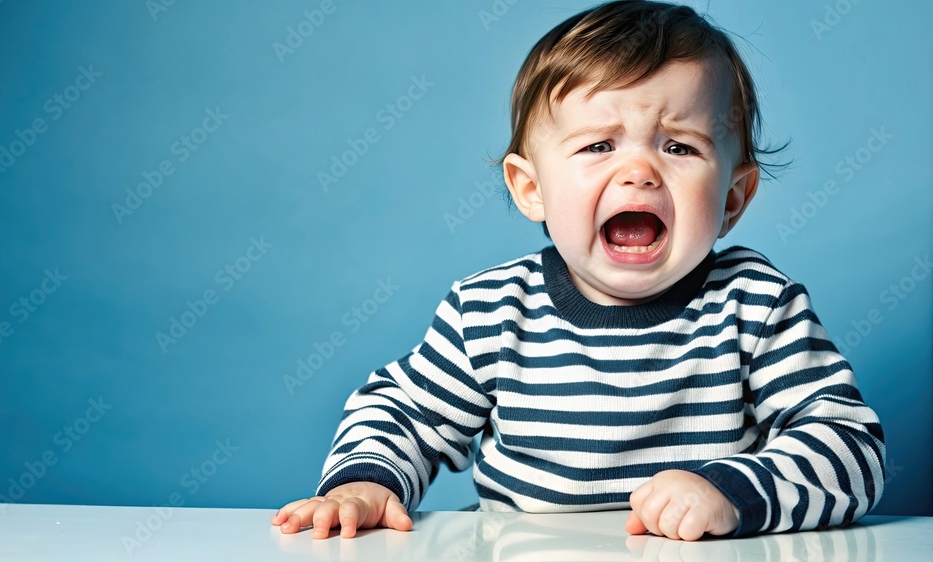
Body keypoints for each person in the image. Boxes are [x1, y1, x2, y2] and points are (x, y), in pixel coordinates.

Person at [271, 0, 885, 541]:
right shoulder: (490, 311)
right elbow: (403, 412)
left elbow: (850, 447)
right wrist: (363, 484)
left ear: (732, 198)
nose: (640, 171)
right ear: (531, 188)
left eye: (679, 146)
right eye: (599, 146)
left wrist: (733, 492)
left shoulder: (756, 305)